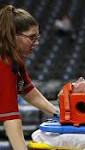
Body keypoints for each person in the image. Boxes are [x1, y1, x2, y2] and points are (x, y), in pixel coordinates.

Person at [0, 5, 59, 150]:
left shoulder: (14, 59)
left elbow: (29, 91)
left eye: (37, 37)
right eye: (32, 37)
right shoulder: (4, 63)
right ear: (13, 35)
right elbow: (10, 116)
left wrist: (59, 113)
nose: (36, 43)